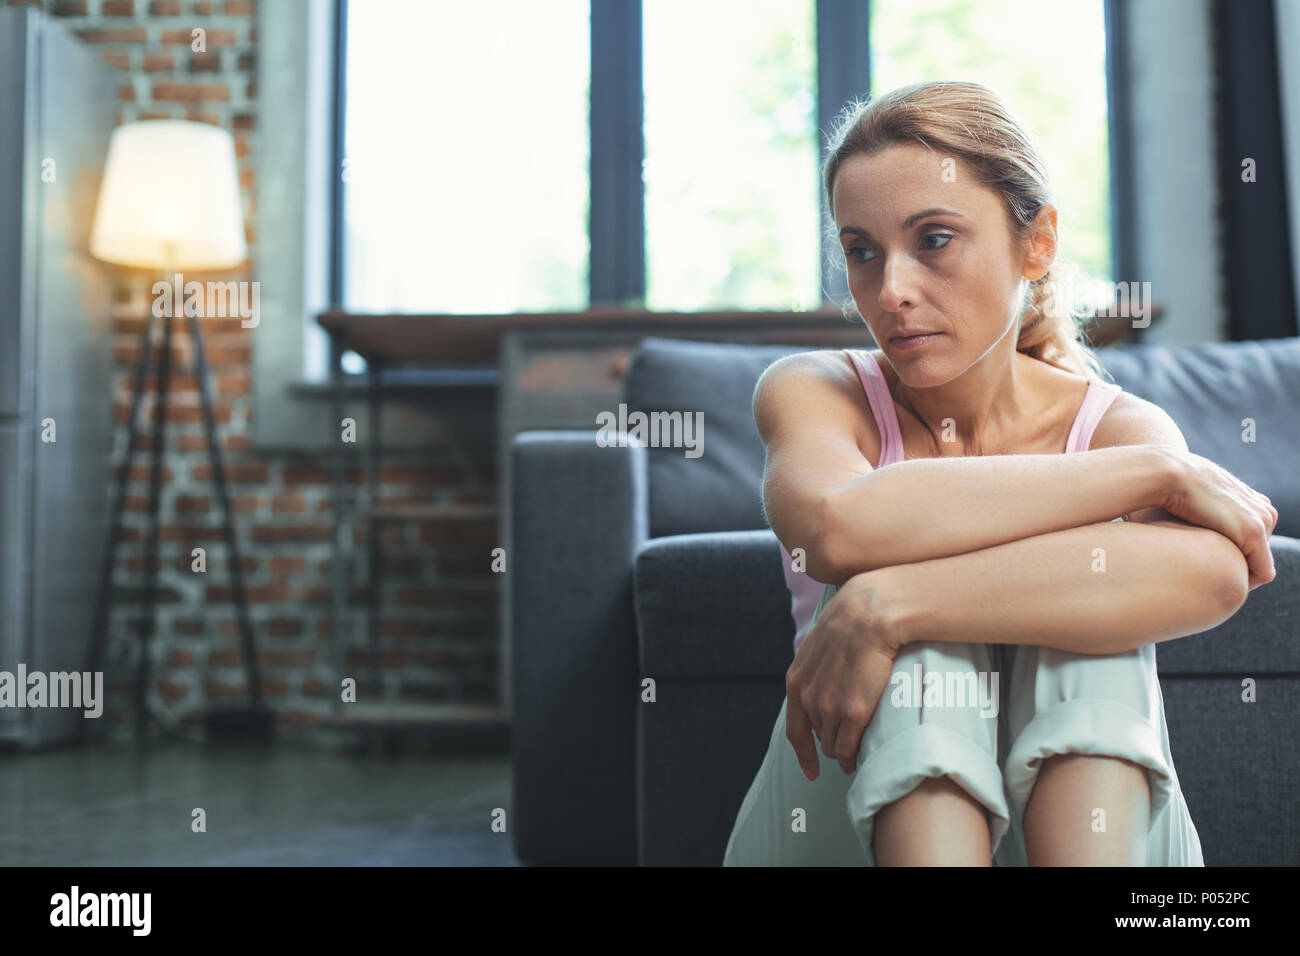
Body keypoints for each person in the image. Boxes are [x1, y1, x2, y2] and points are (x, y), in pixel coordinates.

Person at [723, 80, 1278, 866]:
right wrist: (1154, 474)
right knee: (929, 643)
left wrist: (893, 605)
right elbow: (840, 526)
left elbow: (1220, 573)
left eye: (935, 239)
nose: (893, 292)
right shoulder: (817, 389)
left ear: (1037, 242)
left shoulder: (1115, 428)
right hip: (842, 831)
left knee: (1085, 633)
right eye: (862, 251)